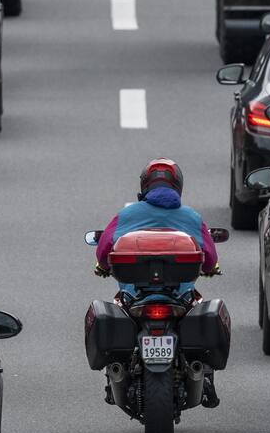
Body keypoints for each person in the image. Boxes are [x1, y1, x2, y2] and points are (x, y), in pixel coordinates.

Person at [93, 157, 222, 407]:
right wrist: (211, 268)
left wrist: (102, 266)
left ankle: (116, 370)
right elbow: (210, 257)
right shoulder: (191, 217)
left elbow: (103, 249)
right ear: (178, 186)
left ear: (144, 186)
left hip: (135, 297)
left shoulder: (127, 214)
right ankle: (204, 375)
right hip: (179, 297)